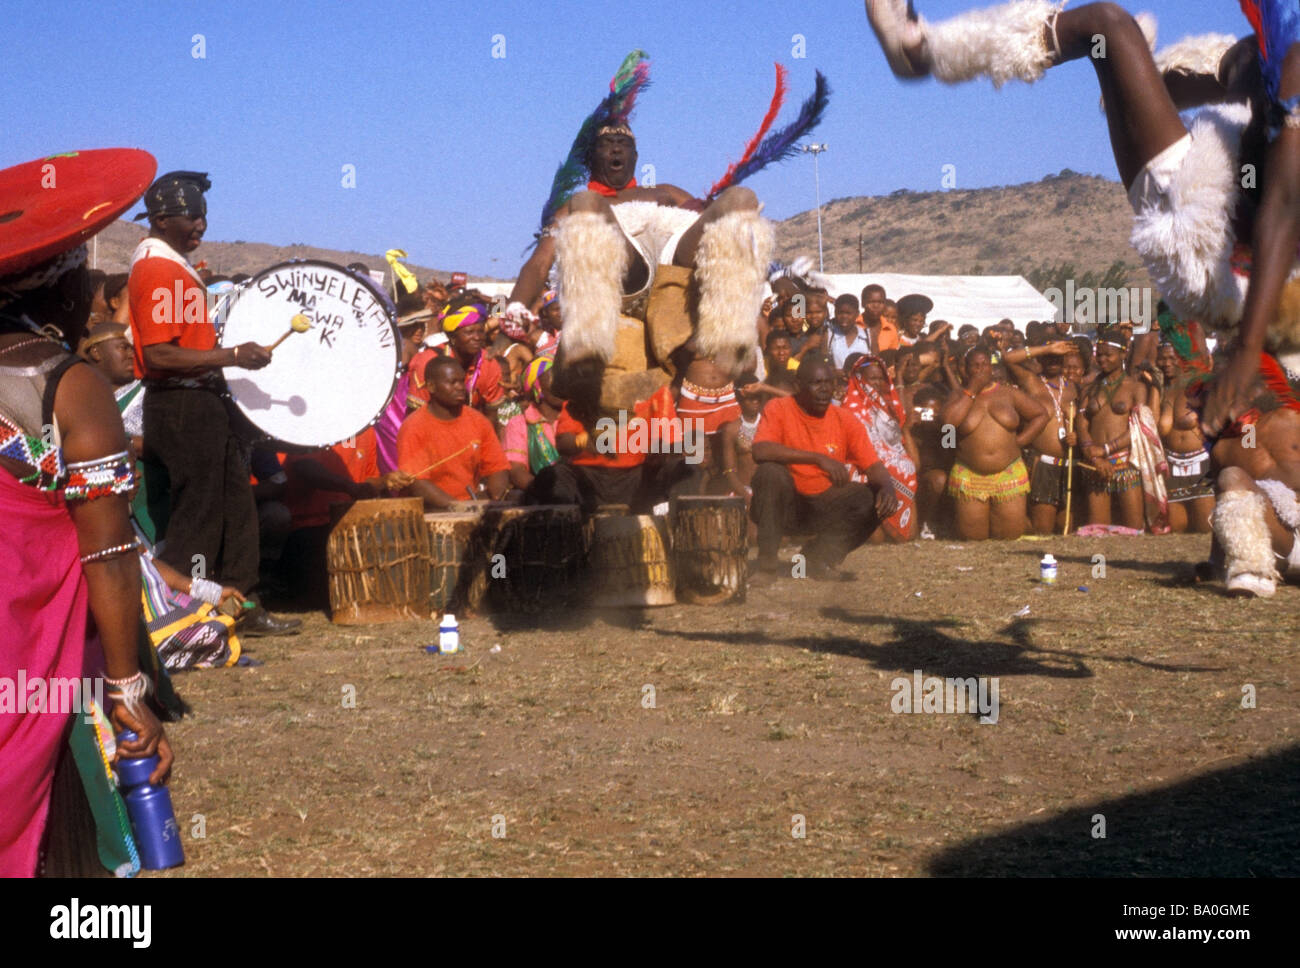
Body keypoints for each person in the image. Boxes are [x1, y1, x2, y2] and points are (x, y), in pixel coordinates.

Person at [863, 0, 1300, 439]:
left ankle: (922, 53)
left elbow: (1283, 208)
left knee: (1106, 27)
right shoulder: (1270, 52)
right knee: (1188, 46)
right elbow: (1187, 93)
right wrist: (1136, 77)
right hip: (1216, 202)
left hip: (1213, 251)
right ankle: (1127, 72)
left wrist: (1245, 352)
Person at [0, 148, 172, 876]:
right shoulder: (66, 384)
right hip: (38, 659)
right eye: (91, 288)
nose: (99, 306)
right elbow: (105, 550)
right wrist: (130, 689)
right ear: (62, 290)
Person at [126, 170, 299, 637]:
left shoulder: (173, 267)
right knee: (200, 510)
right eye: (192, 217)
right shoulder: (158, 269)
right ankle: (185, 610)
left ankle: (240, 603)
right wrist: (233, 355)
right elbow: (160, 353)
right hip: (181, 404)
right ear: (162, 220)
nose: (201, 225)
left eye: (203, 216)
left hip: (199, 400)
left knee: (234, 505)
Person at [750, 357, 899, 580]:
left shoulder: (845, 419)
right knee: (770, 473)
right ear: (798, 386)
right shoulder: (778, 408)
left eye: (829, 383)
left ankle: (817, 560)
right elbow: (760, 451)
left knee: (872, 498)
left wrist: (888, 487)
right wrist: (818, 458)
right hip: (786, 506)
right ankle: (766, 567)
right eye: (817, 383)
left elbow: (873, 465)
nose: (825, 390)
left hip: (824, 505)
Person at [941, 346, 1048, 540]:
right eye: (975, 366)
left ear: (991, 367)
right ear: (965, 369)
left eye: (985, 365)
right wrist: (972, 390)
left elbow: (1040, 415)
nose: (981, 370)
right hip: (969, 475)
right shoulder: (958, 395)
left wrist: (1021, 441)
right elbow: (947, 426)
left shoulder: (1009, 393)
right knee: (973, 540)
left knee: (1009, 538)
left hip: (1009, 473)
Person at [1208, 392, 1300, 596]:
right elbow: (1226, 508)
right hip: (1282, 543)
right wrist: (1214, 564)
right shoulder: (1224, 448)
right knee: (1231, 477)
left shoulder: (1291, 418)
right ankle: (1254, 572)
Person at [397, 355, 510, 510]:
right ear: (431, 387)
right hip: (430, 512)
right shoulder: (414, 426)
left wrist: (496, 498)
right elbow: (417, 483)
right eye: (452, 382)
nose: (460, 387)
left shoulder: (478, 420)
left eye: (461, 381)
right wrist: (457, 507)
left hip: (472, 506)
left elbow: (497, 467)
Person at [1076, 333, 1162, 530]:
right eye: (1100, 355)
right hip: (1095, 466)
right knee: (1097, 532)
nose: (1102, 359)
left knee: (1132, 531)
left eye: (1108, 355)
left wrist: (1106, 449)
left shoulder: (1135, 387)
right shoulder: (1090, 387)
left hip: (1125, 465)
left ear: (1124, 354)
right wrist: (1093, 453)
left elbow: (1140, 427)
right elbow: (1082, 423)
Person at [1003, 337, 1081, 534]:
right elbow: (1008, 358)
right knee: (1043, 529)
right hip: (1044, 464)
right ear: (1041, 359)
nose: (1053, 362)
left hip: (1070, 465)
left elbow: (1082, 422)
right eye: (1049, 358)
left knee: (1066, 528)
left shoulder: (1073, 388)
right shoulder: (1032, 383)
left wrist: (1077, 436)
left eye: (1058, 358)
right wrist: (1047, 347)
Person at [842, 356, 919, 542]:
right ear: (860, 380)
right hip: (861, 468)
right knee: (874, 539)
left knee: (907, 536)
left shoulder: (888, 407)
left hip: (891, 465)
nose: (876, 384)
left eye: (880, 379)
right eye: (871, 379)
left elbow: (897, 441)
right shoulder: (847, 408)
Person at [1155, 341, 1215, 533]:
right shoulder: (1164, 389)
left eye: (1172, 358)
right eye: (1162, 358)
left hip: (1201, 465)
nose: (1166, 363)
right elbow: (1153, 428)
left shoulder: (1202, 386)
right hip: (1172, 468)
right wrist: (1153, 388)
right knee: (1175, 530)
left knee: (1205, 529)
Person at [503, 355, 563, 491]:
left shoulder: (573, 416)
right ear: (537, 387)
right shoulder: (520, 424)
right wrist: (541, 490)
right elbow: (516, 470)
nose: (561, 385)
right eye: (554, 378)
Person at [829, 293, 872, 369]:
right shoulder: (829, 334)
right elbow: (824, 364)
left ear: (857, 314)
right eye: (840, 313)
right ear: (835, 313)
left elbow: (875, 363)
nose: (844, 316)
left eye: (848, 313)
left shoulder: (868, 336)